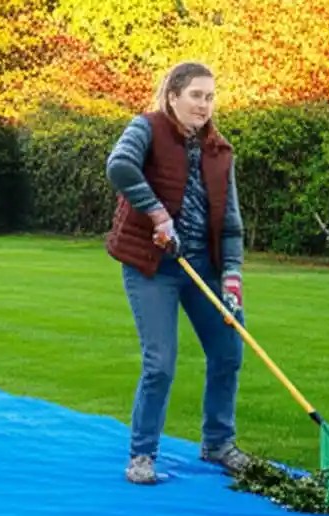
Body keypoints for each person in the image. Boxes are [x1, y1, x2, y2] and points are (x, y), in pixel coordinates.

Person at [103, 61, 256, 485]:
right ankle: (142, 455)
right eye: (196, 95)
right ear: (173, 96)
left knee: (229, 351)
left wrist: (232, 277)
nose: (204, 105)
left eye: (210, 97)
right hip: (153, 268)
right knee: (161, 363)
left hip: (204, 268)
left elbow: (230, 224)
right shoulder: (146, 128)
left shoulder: (220, 152)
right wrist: (157, 214)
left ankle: (218, 444)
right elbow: (119, 166)